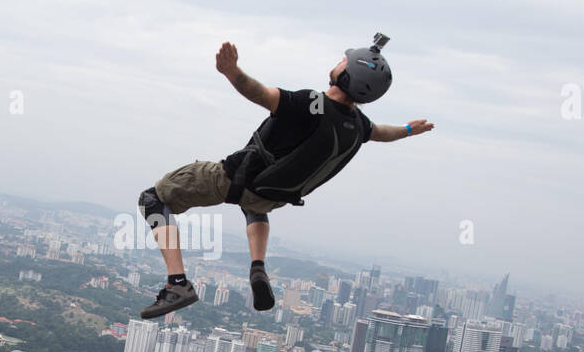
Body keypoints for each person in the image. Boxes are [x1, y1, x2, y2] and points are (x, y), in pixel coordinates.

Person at [137, 33, 434, 319]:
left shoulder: (313, 104)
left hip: (232, 179)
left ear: (350, 73)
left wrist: (232, 73)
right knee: (254, 203)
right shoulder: (357, 124)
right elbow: (382, 133)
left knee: (152, 199)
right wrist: (408, 130)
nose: (339, 60)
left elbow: (261, 94)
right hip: (270, 198)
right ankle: (257, 266)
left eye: (344, 60)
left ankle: (177, 285)